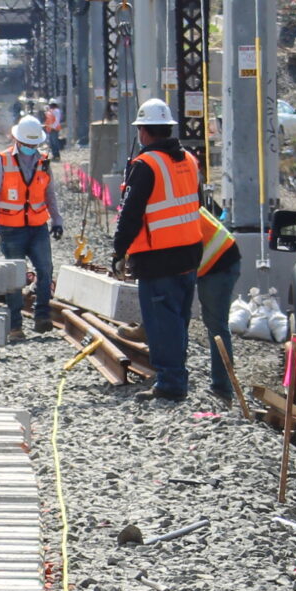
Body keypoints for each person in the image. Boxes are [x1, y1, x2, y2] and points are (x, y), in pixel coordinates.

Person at [110, 97, 206, 400]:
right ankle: (176, 377)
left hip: (158, 257)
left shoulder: (146, 165)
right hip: (189, 252)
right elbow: (198, 203)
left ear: (144, 132)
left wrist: (118, 251)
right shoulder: (190, 160)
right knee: (177, 319)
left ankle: (171, 384)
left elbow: (131, 214)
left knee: (162, 323)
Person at [0, 116, 62, 335]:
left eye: (35, 145)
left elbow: (50, 194)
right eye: (28, 145)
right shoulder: (2, 161)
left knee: (45, 270)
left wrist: (57, 220)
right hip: (11, 229)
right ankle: (15, 325)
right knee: (16, 276)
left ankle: (42, 315)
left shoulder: (43, 162)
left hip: (37, 227)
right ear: (17, 141)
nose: (32, 149)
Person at [193, 206, 242, 401]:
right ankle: (221, 387)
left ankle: (222, 389)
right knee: (215, 325)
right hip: (218, 256)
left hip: (220, 262)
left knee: (216, 325)